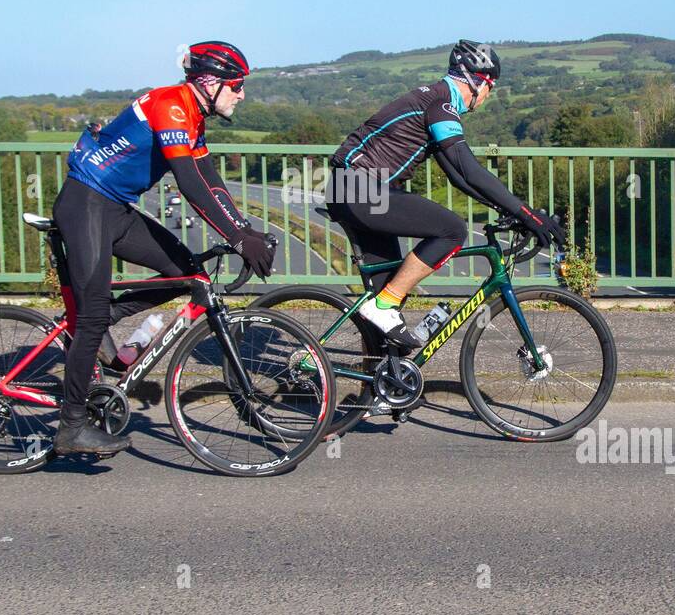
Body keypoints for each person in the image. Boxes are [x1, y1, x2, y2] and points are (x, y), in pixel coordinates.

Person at [51, 41, 276, 455]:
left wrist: (245, 230)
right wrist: (238, 239)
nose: (242, 94)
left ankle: (99, 320)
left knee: (187, 271)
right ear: (210, 83)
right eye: (237, 84)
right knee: (93, 314)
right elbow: (189, 185)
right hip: (84, 203)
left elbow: (210, 180)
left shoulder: (193, 117)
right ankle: (71, 426)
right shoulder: (170, 106)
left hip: (114, 208)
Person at [326, 39, 565, 348]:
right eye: (491, 87)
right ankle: (383, 306)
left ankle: (379, 389)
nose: (489, 96)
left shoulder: (434, 102)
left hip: (354, 190)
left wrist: (507, 211)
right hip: (360, 190)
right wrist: (527, 213)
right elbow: (469, 169)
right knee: (451, 230)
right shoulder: (441, 105)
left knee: (385, 308)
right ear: (479, 82)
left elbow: (458, 177)